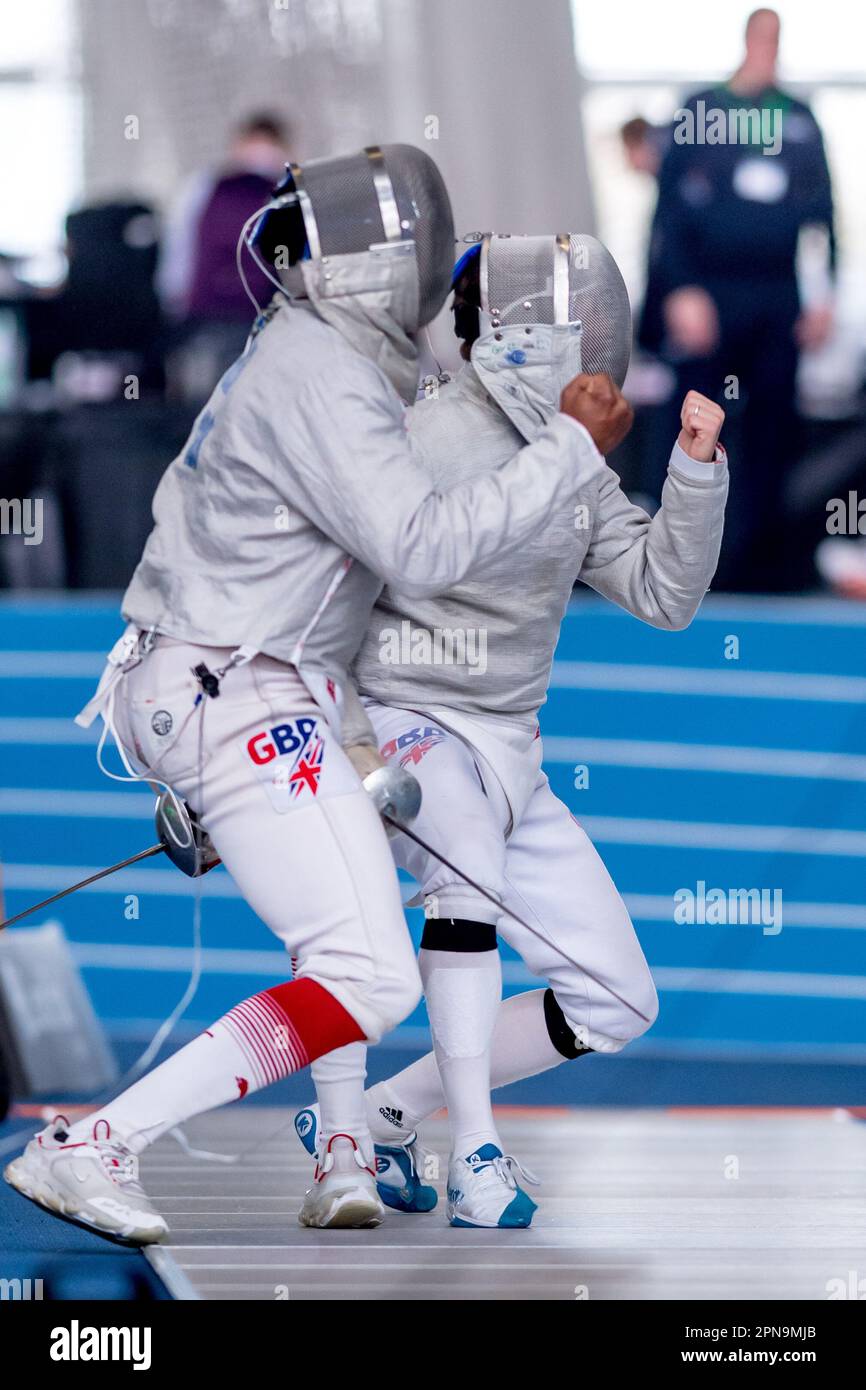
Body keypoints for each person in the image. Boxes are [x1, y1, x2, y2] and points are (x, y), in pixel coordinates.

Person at [4, 151, 631, 1245]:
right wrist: (571, 449)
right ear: (386, 264)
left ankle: (337, 1137)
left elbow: (304, 576)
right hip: (230, 687)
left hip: (232, 687)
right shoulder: (323, 371)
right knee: (364, 967)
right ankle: (93, 1144)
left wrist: (300, 741)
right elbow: (419, 548)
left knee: (352, 957)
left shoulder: (308, 355)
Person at [295, 233, 728, 1229]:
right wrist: (351, 747)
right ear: (527, 333)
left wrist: (692, 474)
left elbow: (661, 594)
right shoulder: (418, 441)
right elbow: (331, 604)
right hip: (405, 723)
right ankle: (476, 1156)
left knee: (615, 998)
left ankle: (385, 1110)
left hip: (506, 753)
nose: (603, 346)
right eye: (587, 324)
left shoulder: (573, 463)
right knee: (463, 877)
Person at [640, 7, 834, 590]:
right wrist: (681, 290)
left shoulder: (798, 118)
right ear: (748, 40)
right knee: (700, 419)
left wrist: (823, 295)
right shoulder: (701, 108)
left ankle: (762, 559)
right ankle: (681, 553)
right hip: (712, 296)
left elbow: (827, 218)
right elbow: (667, 214)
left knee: (774, 424)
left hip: (778, 298)